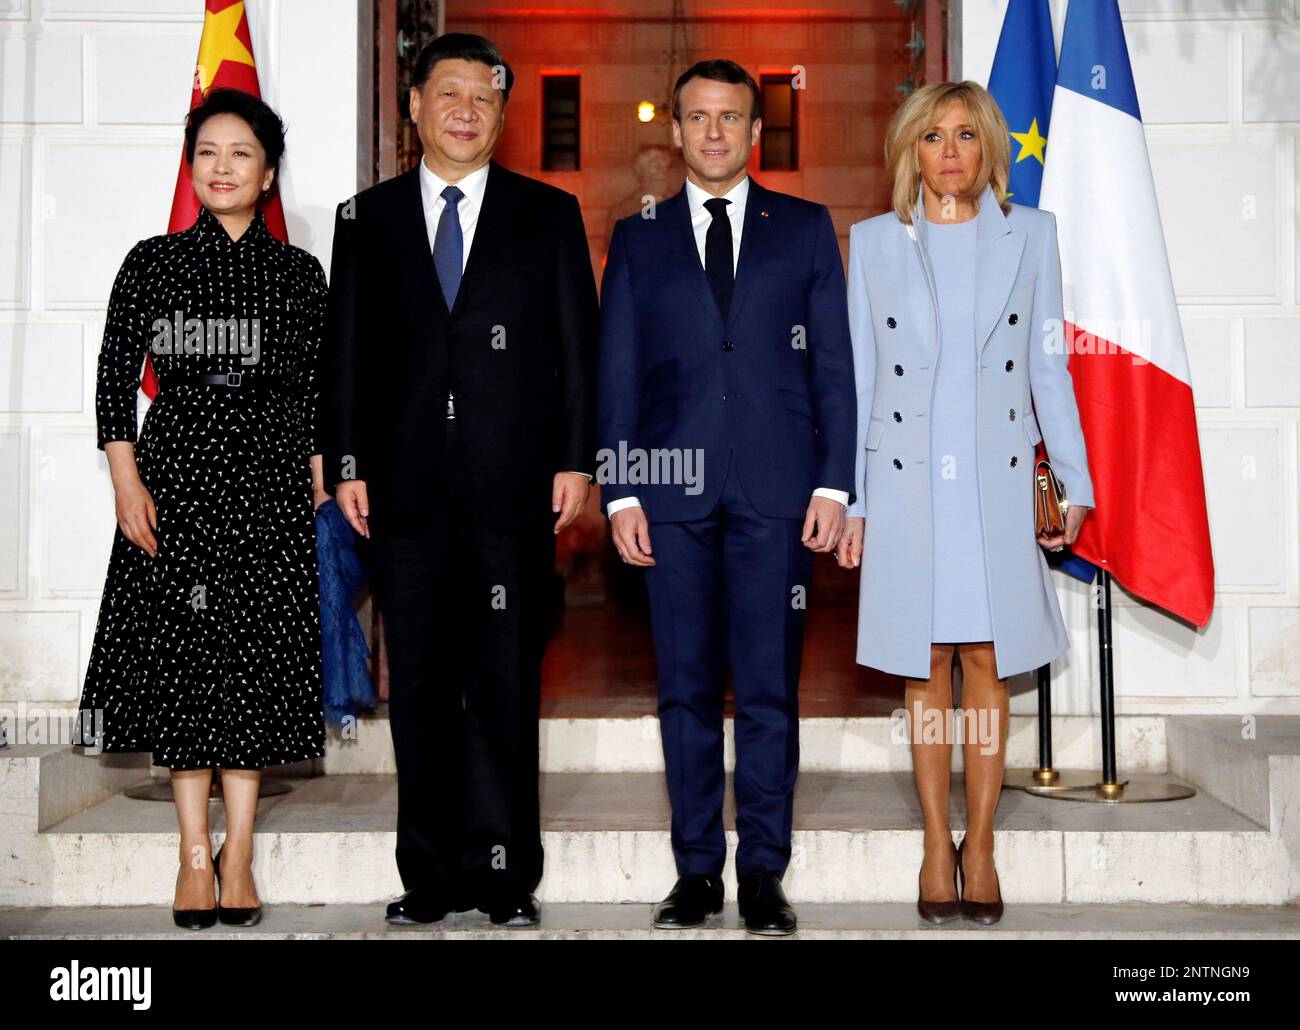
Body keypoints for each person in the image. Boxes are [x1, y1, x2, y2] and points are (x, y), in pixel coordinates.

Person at [322, 33, 598, 928]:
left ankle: (506, 876)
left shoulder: (546, 214)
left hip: (512, 488)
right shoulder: (365, 218)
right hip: (401, 492)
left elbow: (575, 355)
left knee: (506, 683)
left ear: (503, 112)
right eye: (448, 93)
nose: (466, 111)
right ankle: (430, 875)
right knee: (425, 690)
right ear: (413, 106)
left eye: (484, 96)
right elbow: (346, 357)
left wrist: (575, 460)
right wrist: (347, 463)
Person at [597, 60, 857, 936]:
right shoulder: (636, 238)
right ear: (674, 132)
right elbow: (618, 376)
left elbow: (833, 367)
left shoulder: (808, 230)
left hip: (778, 492)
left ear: (756, 133)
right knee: (687, 688)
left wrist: (835, 481)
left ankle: (763, 875)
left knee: (771, 688)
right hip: (669, 496)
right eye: (697, 118)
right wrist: (621, 488)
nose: (713, 133)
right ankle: (697, 873)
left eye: (731, 118)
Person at [838, 81, 1095, 925]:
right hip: (909, 482)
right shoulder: (874, 243)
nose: (949, 152)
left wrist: (1073, 481)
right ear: (910, 151)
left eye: (965, 136)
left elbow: (1049, 366)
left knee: (985, 662)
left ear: (989, 149)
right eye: (931, 137)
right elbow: (861, 381)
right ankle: (930, 845)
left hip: (994, 477)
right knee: (923, 667)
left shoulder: (1034, 237)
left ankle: (978, 845)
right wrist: (857, 501)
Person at [78, 88, 329, 929]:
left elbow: (317, 389)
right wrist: (126, 480)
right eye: (208, 153)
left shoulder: (299, 272)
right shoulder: (151, 260)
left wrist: (319, 469)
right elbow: (116, 381)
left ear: (266, 176)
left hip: (266, 478)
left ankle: (242, 852)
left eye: (241, 154)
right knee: (187, 664)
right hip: (176, 471)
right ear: (192, 168)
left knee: (253, 659)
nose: (222, 167)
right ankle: (194, 856)